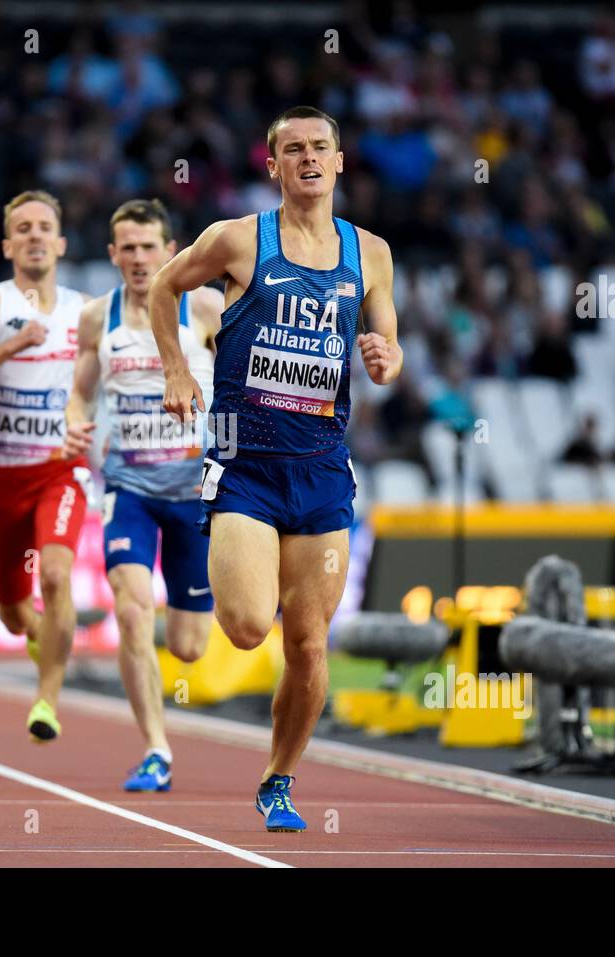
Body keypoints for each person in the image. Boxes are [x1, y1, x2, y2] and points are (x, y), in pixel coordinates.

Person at [149, 107, 403, 831]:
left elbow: (389, 342)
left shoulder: (371, 253)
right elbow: (165, 287)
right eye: (294, 150)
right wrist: (176, 367)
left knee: (311, 641)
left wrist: (387, 357)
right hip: (244, 468)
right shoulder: (237, 240)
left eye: (320, 147)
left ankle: (279, 778)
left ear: (341, 160)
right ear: (274, 166)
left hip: (322, 469)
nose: (309, 159)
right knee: (249, 625)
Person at [63, 198, 222, 791]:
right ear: (111, 254)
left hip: (194, 494)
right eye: (126, 247)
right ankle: (157, 749)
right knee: (131, 612)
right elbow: (80, 392)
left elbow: (244, 373)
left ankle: (173, 665)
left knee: (187, 646)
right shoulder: (94, 320)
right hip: (128, 487)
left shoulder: (203, 305)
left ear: (170, 250)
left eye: (148, 246)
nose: (137, 257)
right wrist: (74, 421)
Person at [0, 191, 90, 743]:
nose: (33, 235)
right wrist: (12, 345)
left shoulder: (85, 312)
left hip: (60, 470)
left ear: (60, 242)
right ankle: (36, 633)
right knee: (10, 611)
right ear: (7, 245)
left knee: (55, 575)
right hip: (0, 478)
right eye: (22, 228)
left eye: (43, 226)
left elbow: (99, 382)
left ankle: (46, 702)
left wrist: (83, 416)